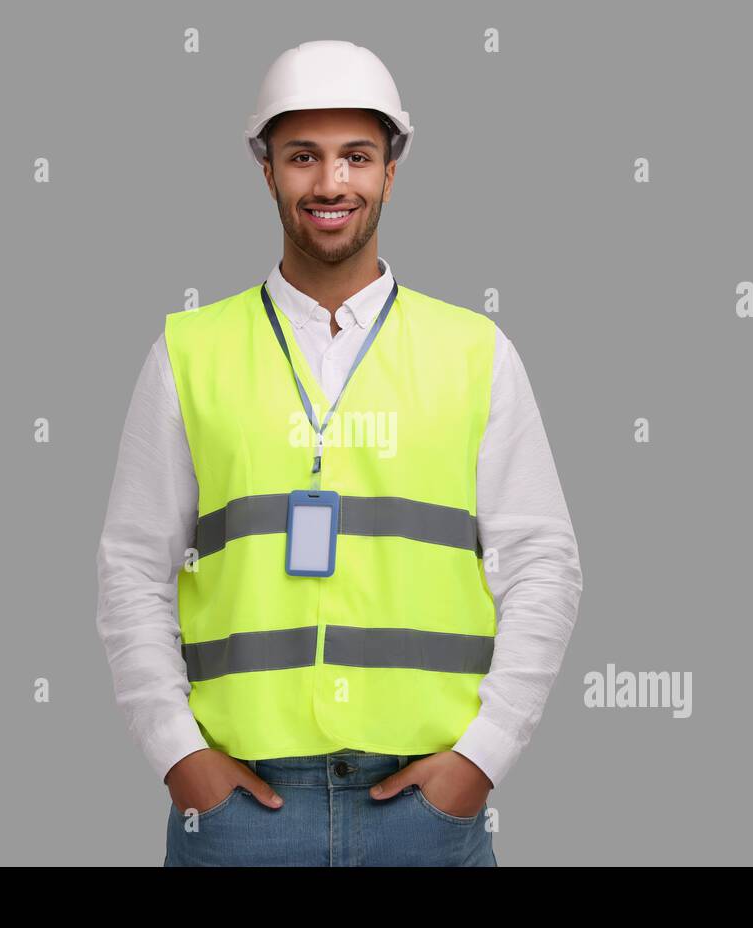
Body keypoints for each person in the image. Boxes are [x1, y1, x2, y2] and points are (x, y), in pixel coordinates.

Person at [96, 40, 582, 866]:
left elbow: (543, 561)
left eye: (356, 156)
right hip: (241, 813)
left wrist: (484, 756)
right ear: (267, 172)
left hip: (429, 812)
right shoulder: (188, 351)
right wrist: (179, 754)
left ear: (391, 170)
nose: (330, 184)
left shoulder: (476, 351)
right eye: (303, 158)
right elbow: (132, 567)